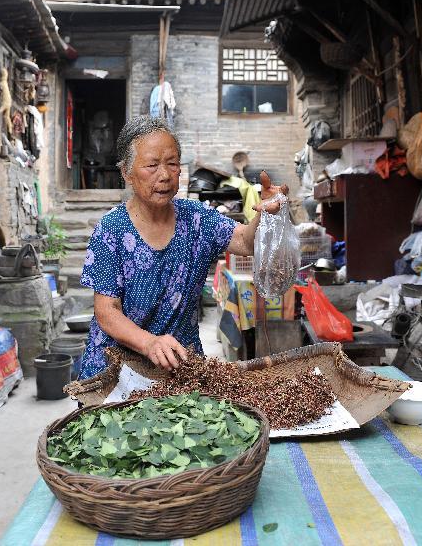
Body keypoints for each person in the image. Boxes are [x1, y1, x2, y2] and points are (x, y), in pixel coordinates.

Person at [78, 115, 287, 379]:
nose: (165, 175)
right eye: (152, 165)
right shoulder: (111, 229)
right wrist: (149, 343)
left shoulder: (197, 218)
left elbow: (246, 241)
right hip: (117, 369)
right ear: (126, 173)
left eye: (172, 163)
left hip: (179, 364)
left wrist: (265, 213)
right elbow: (107, 311)